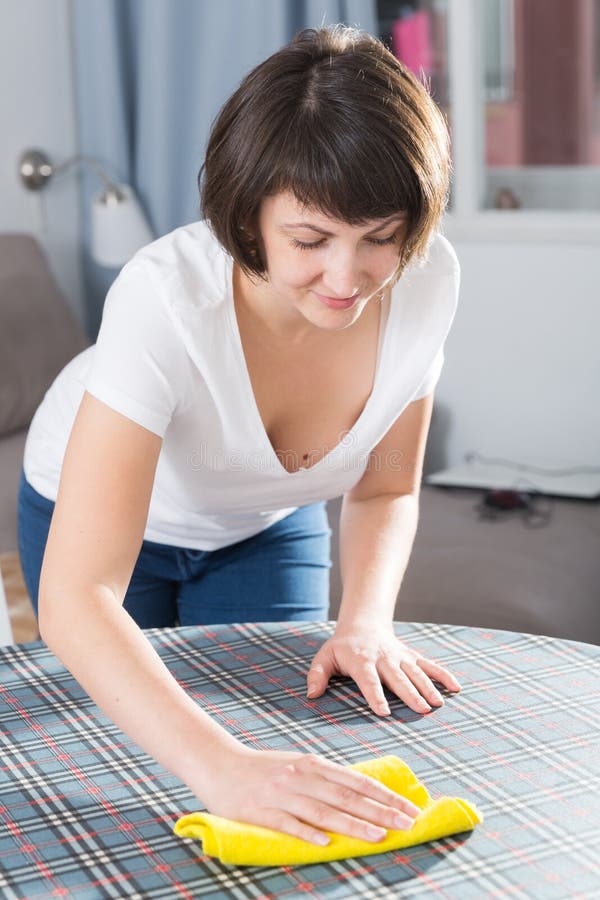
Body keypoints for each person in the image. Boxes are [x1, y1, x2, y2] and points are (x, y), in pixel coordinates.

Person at [18, 25, 461, 847]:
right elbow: (78, 600)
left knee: (290, 750)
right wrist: (218, 766)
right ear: (248, 215)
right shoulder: (165, 299)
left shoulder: (429, 284)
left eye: (380, 238)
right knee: (141, 761)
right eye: (310, 239)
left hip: (264, 520)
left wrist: (366, 620)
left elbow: (387, 484)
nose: (347, 278)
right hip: (110, 523)